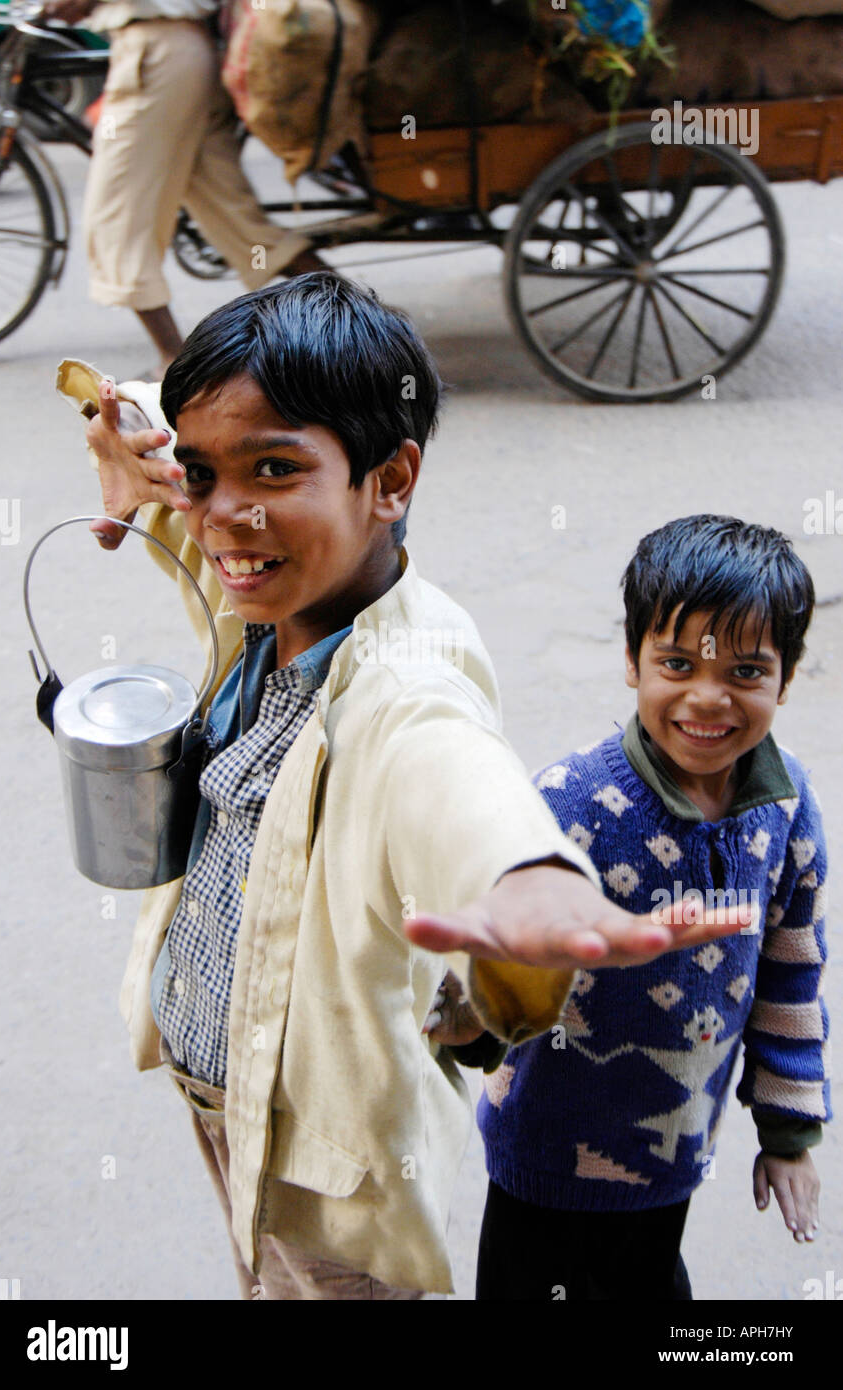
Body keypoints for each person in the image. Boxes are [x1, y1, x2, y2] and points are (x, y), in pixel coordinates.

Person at [56, 275, 747, 1299]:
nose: (226, 518)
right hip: (229, 1106)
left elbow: (450, 771)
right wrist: (135, 460)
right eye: (201, 475)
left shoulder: (403, 677)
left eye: (274, 469)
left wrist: (528, 877)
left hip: (322, 1167)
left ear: (389, 478)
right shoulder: (275, 590)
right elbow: (188, 487)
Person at [473, 515, 831, 1301]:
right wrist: (478, 989)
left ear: (787, 678)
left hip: (673, 1152)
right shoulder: (569, 806)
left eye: (745, 671)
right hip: (544, 1157)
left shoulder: (788, 805)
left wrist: (789, 1133)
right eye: (677, 662)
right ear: (631, 661)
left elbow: (792, 973)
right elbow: (491, 966)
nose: (709, 698)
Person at [44, 0, 328, 375]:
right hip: (187, 52)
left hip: (155, 53)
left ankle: (173, 363)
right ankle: (367, 326)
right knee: (234, 217)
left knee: (114, 217)